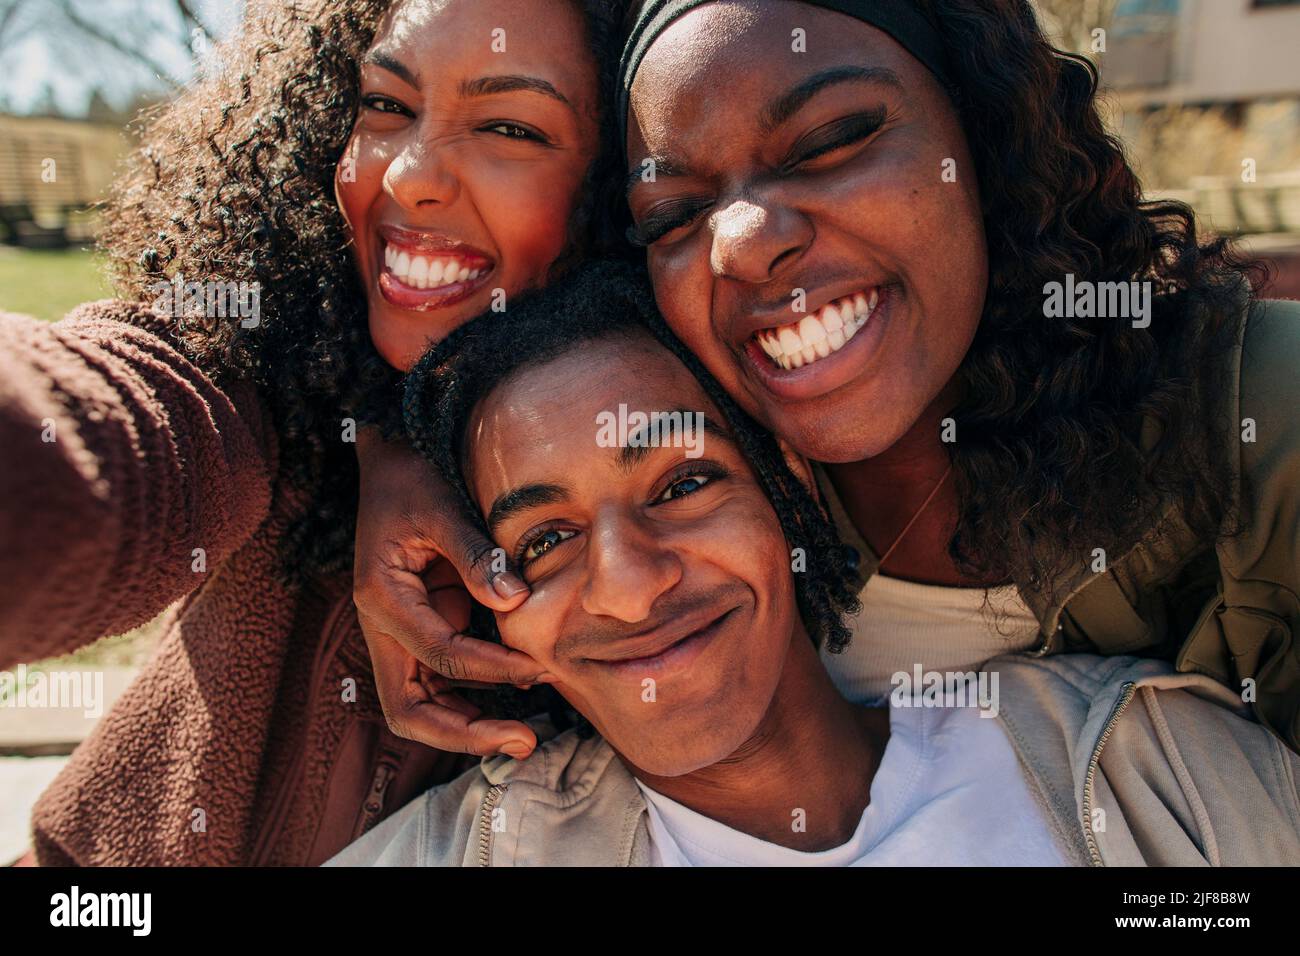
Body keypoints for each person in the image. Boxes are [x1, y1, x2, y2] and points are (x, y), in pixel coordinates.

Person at [358, 0, 1300, 762]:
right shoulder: (689, 473)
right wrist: (383, 448)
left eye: (830, 142)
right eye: (675, 213)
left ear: (983, 141)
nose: (743, 242)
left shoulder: (1260, 416)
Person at [330, 261, 1300, 867]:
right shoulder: (462, 852)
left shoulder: (1150, 762)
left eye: (679, 485)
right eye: (541, 540)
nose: (627, 584)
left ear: (784, 484)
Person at [0, 0, 627, 865]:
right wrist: (379, 425)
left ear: (628, 182)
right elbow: (106, 428)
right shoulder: (266, 366)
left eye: (510, 126)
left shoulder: (713, 490)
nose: (408, 176)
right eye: (386, 106)